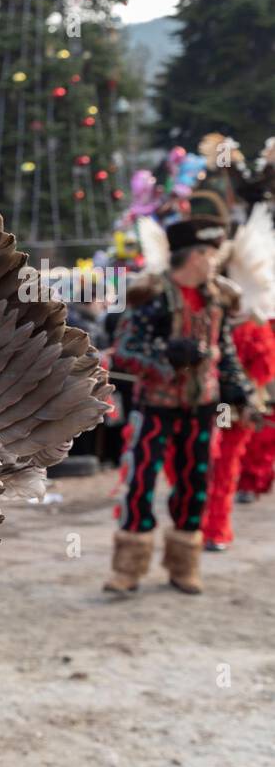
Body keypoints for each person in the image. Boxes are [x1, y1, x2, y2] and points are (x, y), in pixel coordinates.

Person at [104, 216, 253, 595]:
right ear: (192, 255)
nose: (213, 261)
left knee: (195, 482)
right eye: (208, 253)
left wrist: (238, 388)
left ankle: (184, 564)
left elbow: (227, 351)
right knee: (140, 481)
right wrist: (167, 357)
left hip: (202, 404)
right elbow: (125, 351)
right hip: (155, 404)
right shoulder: (150, 295)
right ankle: (129, 568)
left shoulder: (218, 296)